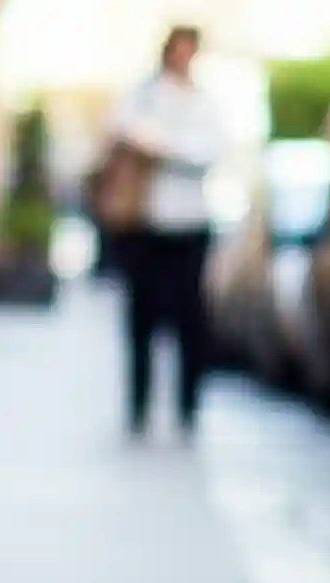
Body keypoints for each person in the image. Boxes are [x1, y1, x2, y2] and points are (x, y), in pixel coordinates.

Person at [110, 26, 223, 436]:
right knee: (141, 317)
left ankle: (188, 407)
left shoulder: (205, 102)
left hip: (190, 224)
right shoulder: (143, 95)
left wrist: (165, 145)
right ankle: (138, 406)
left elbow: (207, 152)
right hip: (146, 224)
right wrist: (171, 145)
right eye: (178, 51)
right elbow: (126, 130)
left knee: (190, 319)